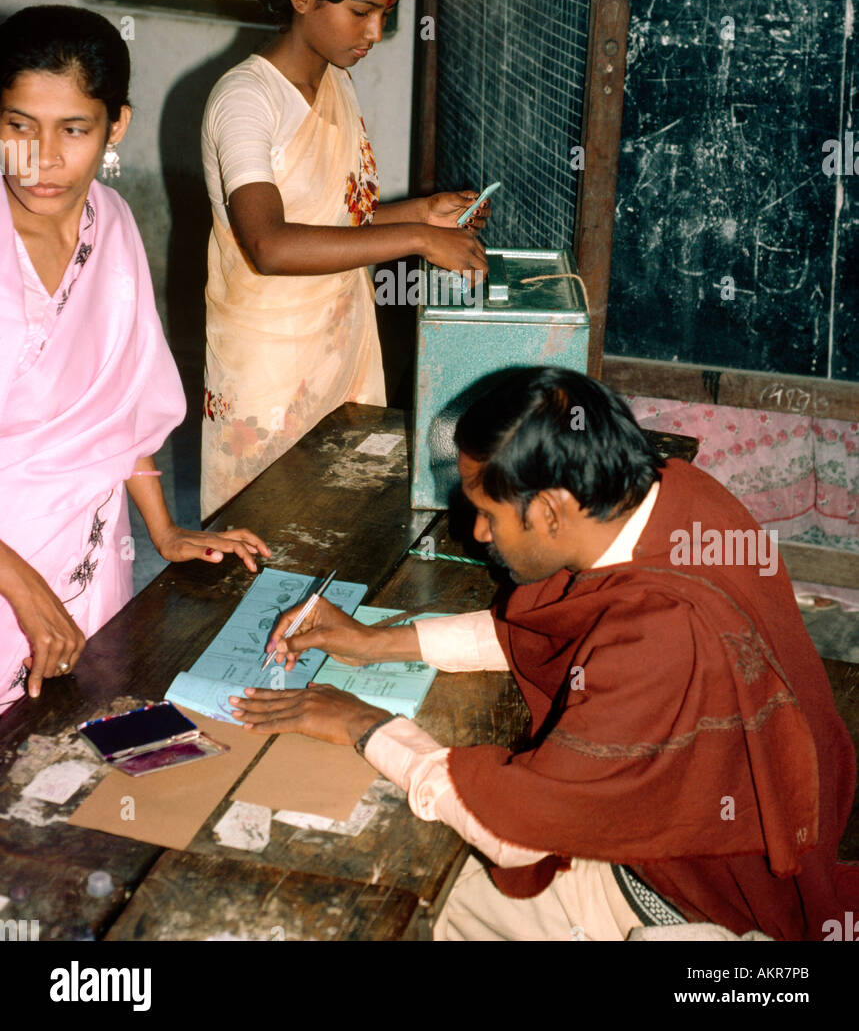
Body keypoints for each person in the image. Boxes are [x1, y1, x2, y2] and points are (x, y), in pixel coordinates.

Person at [229, 366, 859, 942]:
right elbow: (563, 630)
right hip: (692, 841)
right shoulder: (676, 494)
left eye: (487, 513)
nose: (476, 533)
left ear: (552, 511)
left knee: (387, 907)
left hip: (700, 908)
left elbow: (517, 833)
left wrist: (364, 725)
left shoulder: (663, 637)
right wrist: (379, 640)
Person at [0, 5, 269, 712]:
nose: (41, 159)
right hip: (7, 565)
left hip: (89, 547)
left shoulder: (111, 225)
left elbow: (125, 407)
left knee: (71, 743)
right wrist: (22, 585)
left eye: (74, 130)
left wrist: (162, 527)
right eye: (18, 126)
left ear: (115, 125)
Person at [200, 0, 489, 518]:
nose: (375, 33)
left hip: (340, 340)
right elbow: (271, 245)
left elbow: (340, 219)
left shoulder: (336, 81)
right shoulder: (246, 100)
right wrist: (415, 238)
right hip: (270, 361)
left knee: (340, 519)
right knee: (267, 527)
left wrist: (424, 213)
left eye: (386, 14)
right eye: (362, 12)